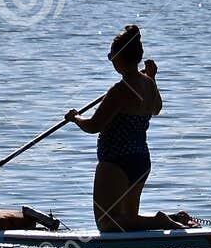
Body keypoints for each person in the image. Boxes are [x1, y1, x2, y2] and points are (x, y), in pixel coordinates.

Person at [67, 25, 200, 232]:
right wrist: (152, 78)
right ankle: (176, 218)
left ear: (120, 58)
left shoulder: (120, 90)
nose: (110, 60)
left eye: (111, 56)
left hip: (116, 161)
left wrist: (75, 118)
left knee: (107, 224)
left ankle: (161, 221)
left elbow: (94, 126)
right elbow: (156, 108)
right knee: (128, 220)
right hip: (140, 160)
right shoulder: (148, 83)